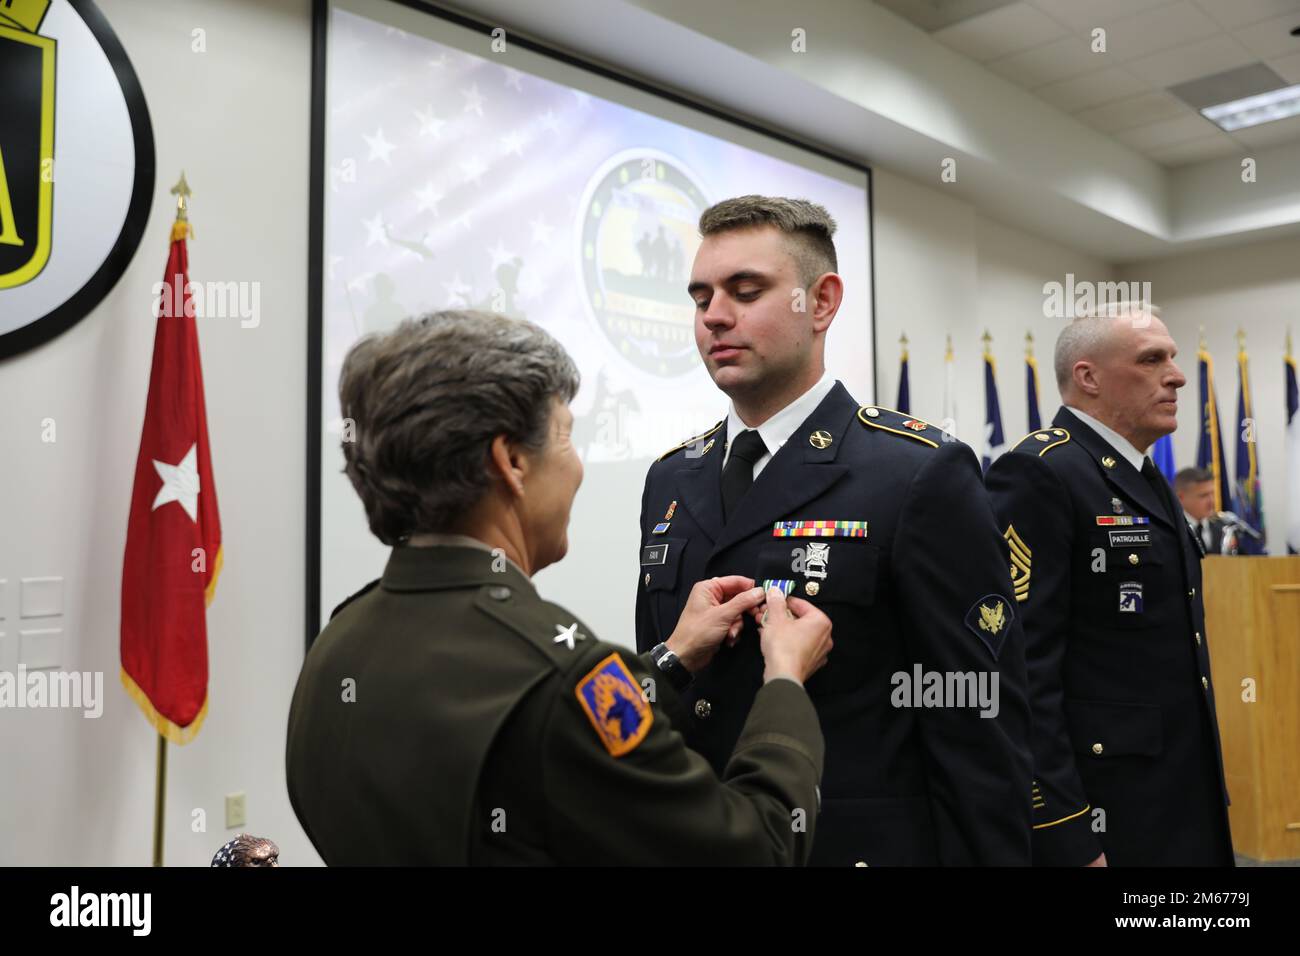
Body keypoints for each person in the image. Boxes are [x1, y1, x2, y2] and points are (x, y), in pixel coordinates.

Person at [285, 310, 834, 866]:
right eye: (567, 438)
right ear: (513, 461)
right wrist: (785, 682)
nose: (577, 469)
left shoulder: (338, 644)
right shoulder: (564, 676)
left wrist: (673, 657)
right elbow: (757, 850)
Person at [635, 196, 1032, 866]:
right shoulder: (672, 477)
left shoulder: (916, 472)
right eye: (701, 296)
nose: (714, 316)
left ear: (820, 303)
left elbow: (977, 718)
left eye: (746, 290)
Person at [984, 303, 1233, 867]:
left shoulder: (1144, 475)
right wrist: (1065, 831)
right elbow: (1019, 670)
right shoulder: (1041, 471)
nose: (1177, 374)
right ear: (1088, 377)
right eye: (1152, 359)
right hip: (1104, 815)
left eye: (1172, 357)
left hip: (1177, 795)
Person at [1175, 466, 1229, 555]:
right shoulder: (1173, 529)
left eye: (1212, 494)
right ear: (1180, 497)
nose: (1212, 501)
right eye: (1204, 496)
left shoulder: (1223, 528)